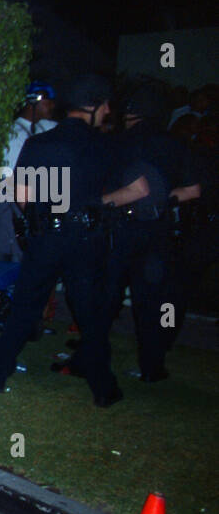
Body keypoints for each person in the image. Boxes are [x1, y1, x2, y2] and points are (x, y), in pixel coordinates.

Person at [0, 74, 149, 407]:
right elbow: (139, 190)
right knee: (90, 314)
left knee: (25, 307)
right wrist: (95, 206)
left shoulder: (41, 143)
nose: (108, 113)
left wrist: (45, 213)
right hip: (87, 237)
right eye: (106, 106)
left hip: (48, 237)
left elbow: (22, 194)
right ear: (97, 105)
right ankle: (104, 389)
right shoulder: (108, 146)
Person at [67, 80, 202, 383]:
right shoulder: (176, 144)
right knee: (151, 302)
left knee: (106, 298)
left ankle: (87, 359)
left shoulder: (119, 142)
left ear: (131, 112)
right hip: (158, 231)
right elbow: (193, 191)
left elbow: (111, 185)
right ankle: (152, 367)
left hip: (121, 228)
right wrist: (162, 199)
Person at [0, 82, 58, 262]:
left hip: (29, 208)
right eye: (48, 101)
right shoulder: (15, 134)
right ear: (34, 102)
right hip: (15, 211)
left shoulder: (40, 128)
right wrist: (32, 215)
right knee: (16, 264)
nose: (52, 106)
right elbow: (11, 182)